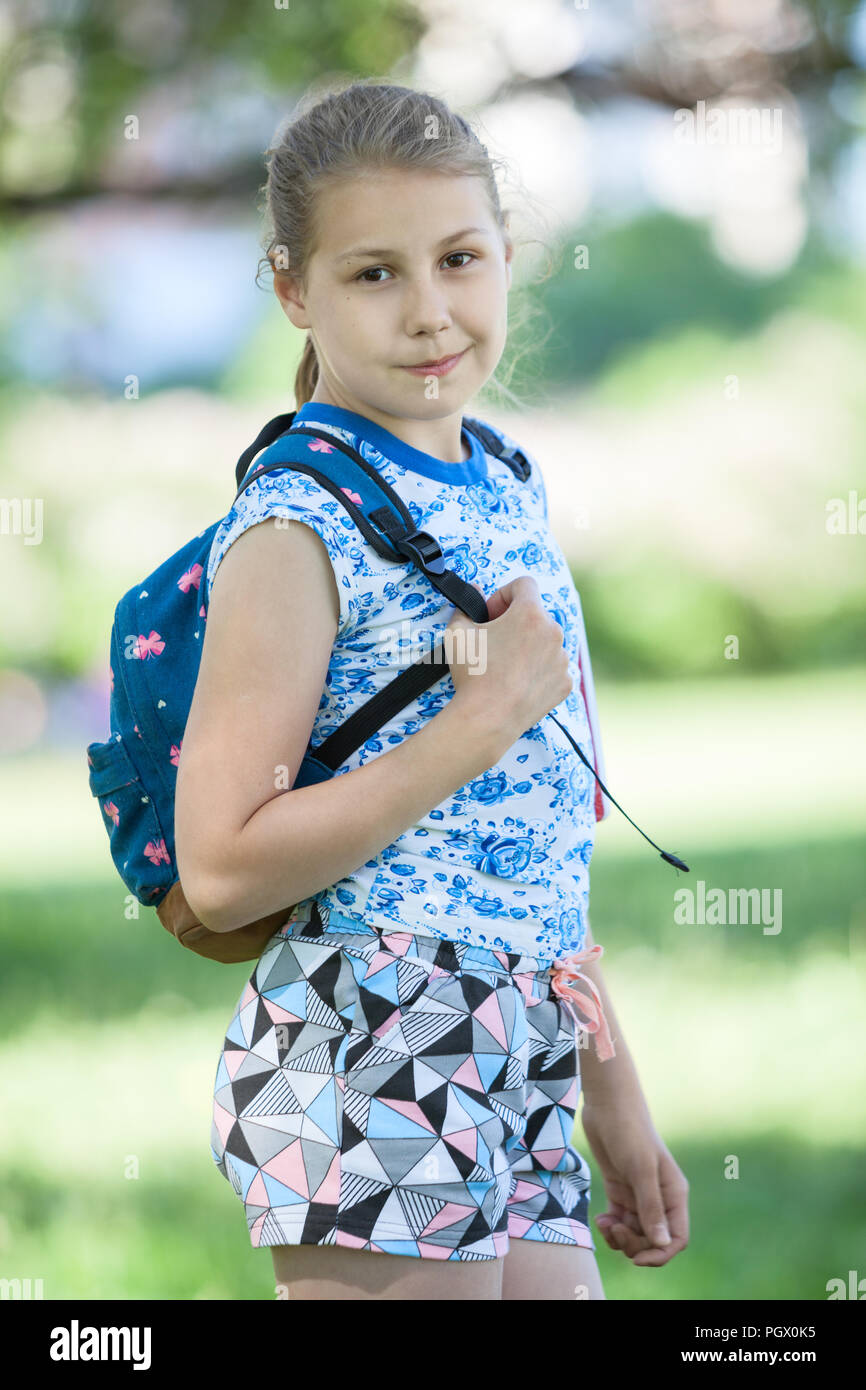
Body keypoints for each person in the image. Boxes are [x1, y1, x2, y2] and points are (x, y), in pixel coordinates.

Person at [174, 78, 689, 1301]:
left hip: (520, 1048)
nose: (429, 313)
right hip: (374, 1043)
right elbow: (224, 866)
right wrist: (479, 722)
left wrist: (612, 1097)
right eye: (372, 275)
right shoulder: (298, 524)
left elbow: (531, 845)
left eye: (458, 259)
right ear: (293, 289)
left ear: (506, 258)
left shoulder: (506, 485)